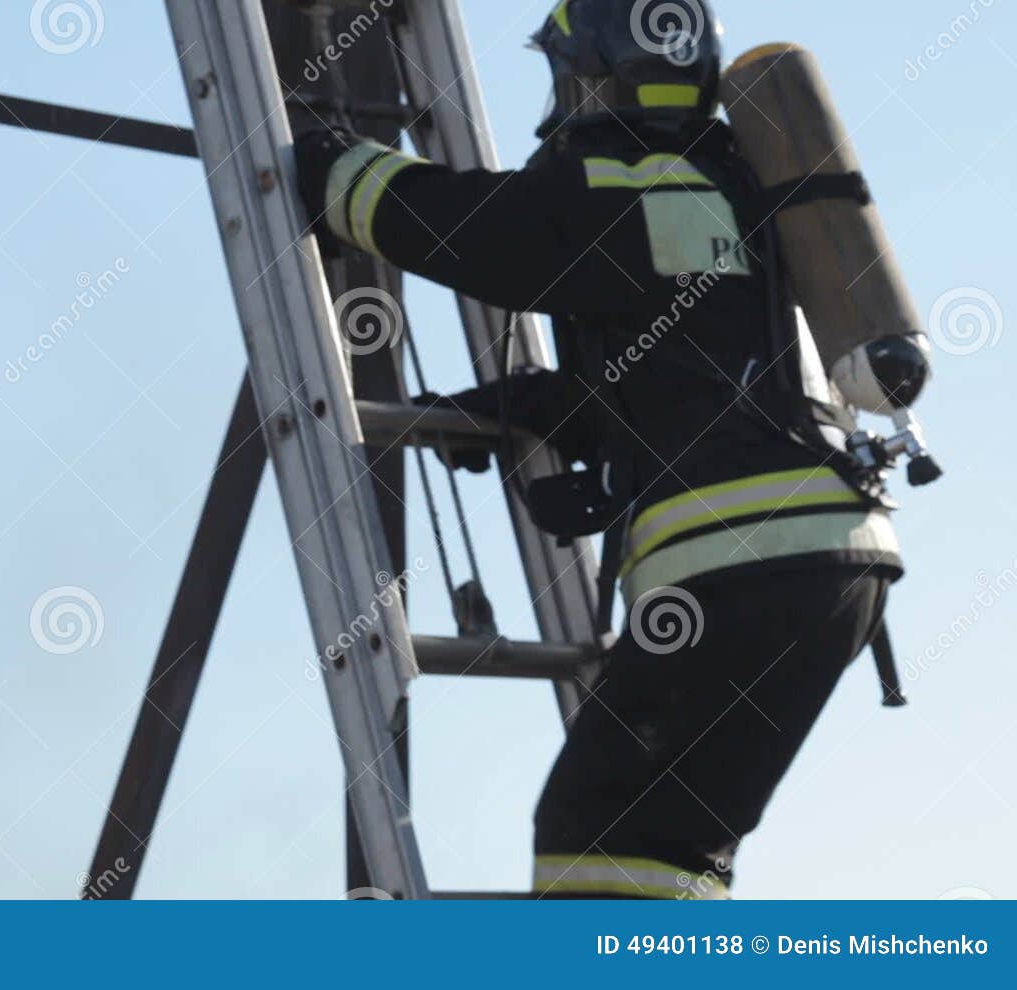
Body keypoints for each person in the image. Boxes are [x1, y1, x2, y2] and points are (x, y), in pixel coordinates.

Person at [294, 0, 914, 898]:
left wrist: (327, 170)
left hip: (734, 566)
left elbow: (479, 233)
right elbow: (682, 370)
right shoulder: (743, 194)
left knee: (597, 840)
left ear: (594, 71)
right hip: (837, 568)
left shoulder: (619, 183)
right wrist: (508, 408)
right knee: (671, 851)